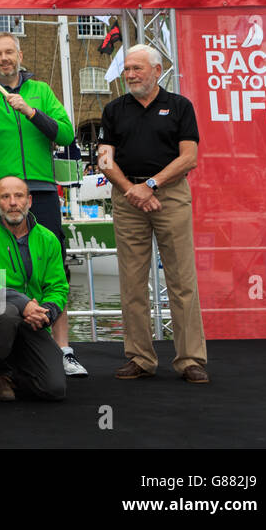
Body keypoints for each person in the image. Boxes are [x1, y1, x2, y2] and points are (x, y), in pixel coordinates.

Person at [0, 32, 86, 378]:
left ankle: (63, 349)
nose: (3, 59)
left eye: (8, 52)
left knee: (53, 265)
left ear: (20, 54)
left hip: (41, 190)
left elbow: (65, 134)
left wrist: (30, 111)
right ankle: (5, 355)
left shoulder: (41, 92)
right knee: (0, 267)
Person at [96, 44, 206, 383]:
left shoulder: (179, 106)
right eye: (127, 69)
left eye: (137, 69)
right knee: (131, 281)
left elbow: (189, 157)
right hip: (128, 197)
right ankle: (140, 357)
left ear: (157, 71)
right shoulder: (114, 109)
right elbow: (104, 159)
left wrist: (152, 185)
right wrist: (133, 190)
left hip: (170, 195)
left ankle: (190, 359)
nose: (129, 75)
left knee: (182, 279)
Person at [0, 176, 67, 402]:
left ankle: (17, 370)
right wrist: (24, 304)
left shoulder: (48, 239)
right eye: (5, 197)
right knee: (6, 312)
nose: (13, 202)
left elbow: (58, 287)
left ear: (29, 201)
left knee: (54, 389)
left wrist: (46, 312)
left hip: (34, 318)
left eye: (19, 196)